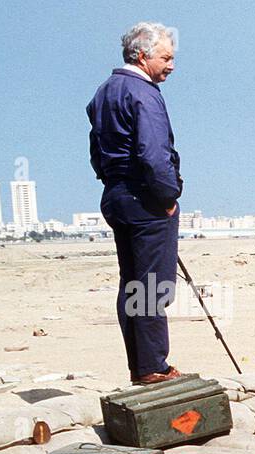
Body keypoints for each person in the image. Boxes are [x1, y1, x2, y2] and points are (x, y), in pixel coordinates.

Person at [86, 22, 183, 384]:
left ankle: (141, 365)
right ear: (142, 56)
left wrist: (111, 180)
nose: (171, 65)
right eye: (166, 57)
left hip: (116, 196)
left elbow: (96, 149)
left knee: (132, 284)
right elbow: (153, 152)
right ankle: (152, 367)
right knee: (152, 287)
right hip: (146, 201)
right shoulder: (143, 93)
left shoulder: (104, 92)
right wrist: (168, 197)